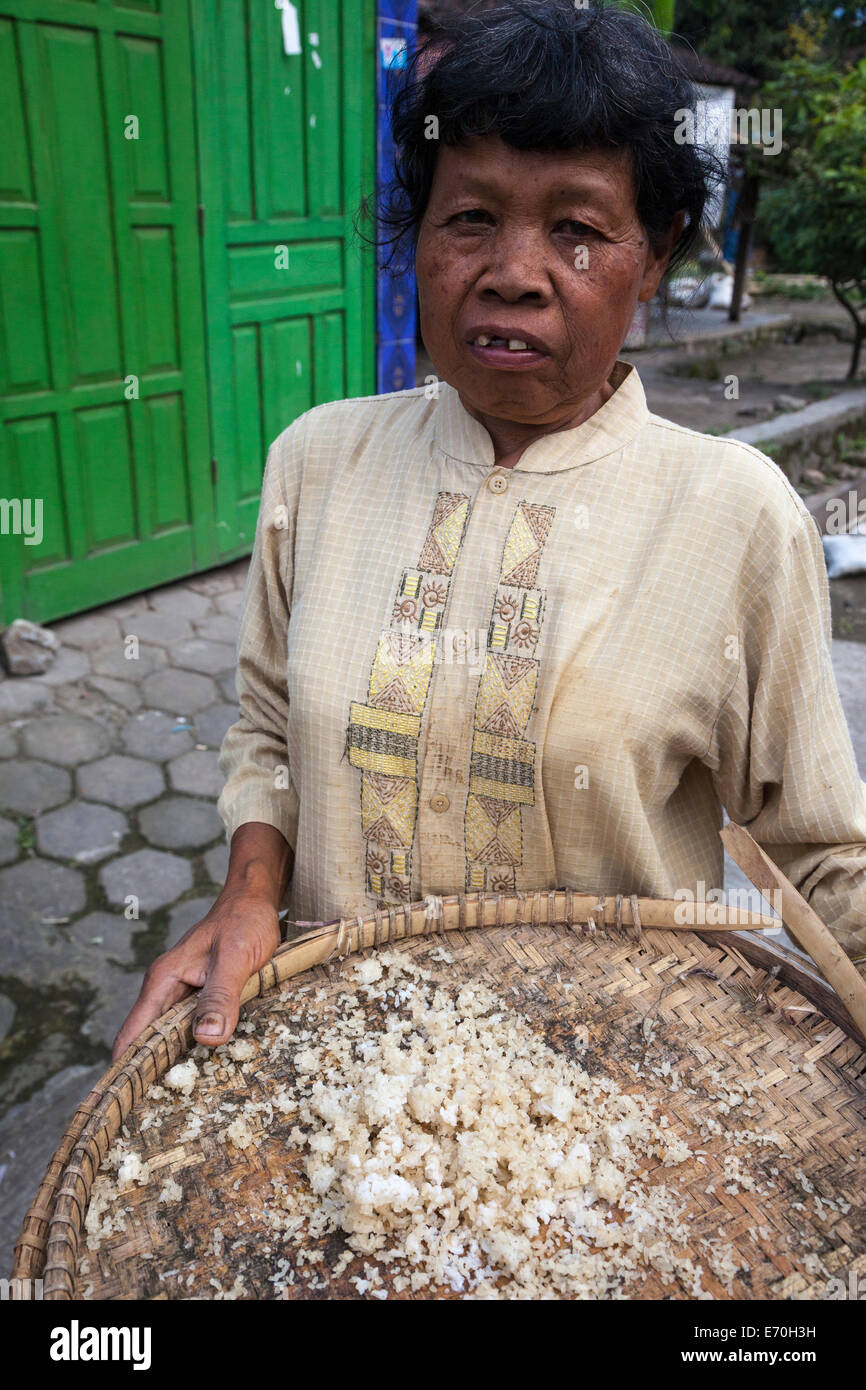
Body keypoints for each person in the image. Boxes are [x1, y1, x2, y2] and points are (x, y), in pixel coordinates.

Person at [113, 1, 866, 1062]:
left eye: (576, 228)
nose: (513, 269)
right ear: (415, 240)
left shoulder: (734, 513)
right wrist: (248, 892)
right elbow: (268, 724)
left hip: (615, 1093)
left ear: (650, 260)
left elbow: (820, 854)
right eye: (469, 218)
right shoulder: (318, 460)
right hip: (339, 1072)